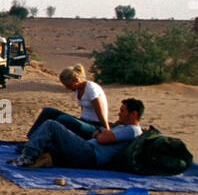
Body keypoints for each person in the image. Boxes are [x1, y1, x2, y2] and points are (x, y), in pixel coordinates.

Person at [9, 98, 144, 169]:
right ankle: (36, 156)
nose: (119, 114)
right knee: (54, 134)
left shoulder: (132, 130)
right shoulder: (126, 127)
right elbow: (106, 135)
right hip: (88, 151)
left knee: (52, 125)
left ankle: (28, 156)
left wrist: (99, 133)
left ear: (134, 114)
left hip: (91, 155)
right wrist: (104, 131)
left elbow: (103, 139)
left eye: (123, 111)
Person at [26, 65, 110, 139]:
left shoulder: (92, 88)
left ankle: (47, 140)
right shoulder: (78, 89)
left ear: (76, 80)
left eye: (68, 85)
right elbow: (83, 109)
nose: (67, 88)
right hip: (84, 121)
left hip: (95, 125)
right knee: (47, 111)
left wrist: (106, 129)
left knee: (63, 119)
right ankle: (31, 138)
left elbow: (100, 111)